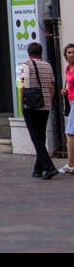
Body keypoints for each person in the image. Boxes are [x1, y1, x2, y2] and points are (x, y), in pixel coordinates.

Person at [19, 42, 57, 179]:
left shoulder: (26, 65)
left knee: (35, 137)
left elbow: (24, 85)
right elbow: (52, 87)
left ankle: (49, 167)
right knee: (40, 136)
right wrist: (48, 100)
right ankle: (38, 168)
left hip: (31, 105)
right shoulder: (48, 65)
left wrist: (21, 102)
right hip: (45, 105)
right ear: (41, 52)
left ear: (29, 53)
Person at [62, 44, 74, 175]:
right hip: (70, 100)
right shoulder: (67, 68)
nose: (71, 54)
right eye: (69, 52)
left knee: (70, 132)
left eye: (73, 52)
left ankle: (71, 164)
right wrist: (65, 91)